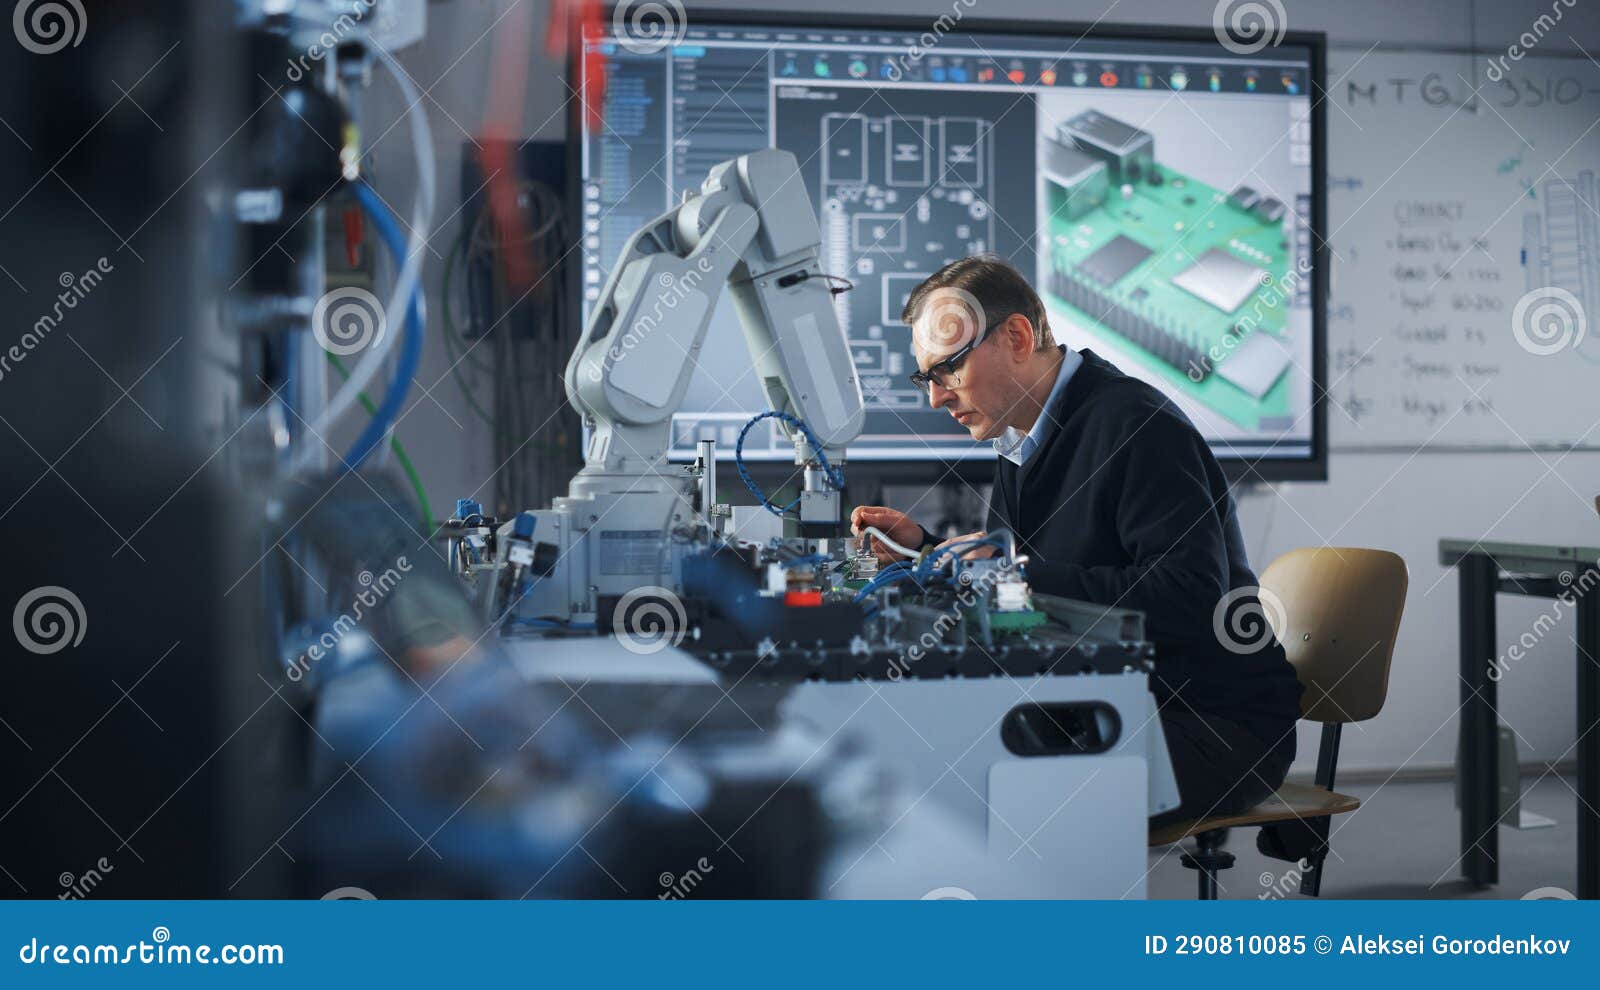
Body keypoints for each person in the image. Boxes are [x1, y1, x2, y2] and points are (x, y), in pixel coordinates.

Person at [851, 255, 1303, 828]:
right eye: (926, 378)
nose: (935, 398)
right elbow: (1033, 581)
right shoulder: (1024, 437)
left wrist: (1009, 573)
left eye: (948, 370)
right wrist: (926, 549)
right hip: (1111, 698)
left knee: (986, 795)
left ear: (1016, 335)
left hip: (1208, 724)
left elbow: (1188, 598)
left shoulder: (1137, 426)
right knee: (930, 757)